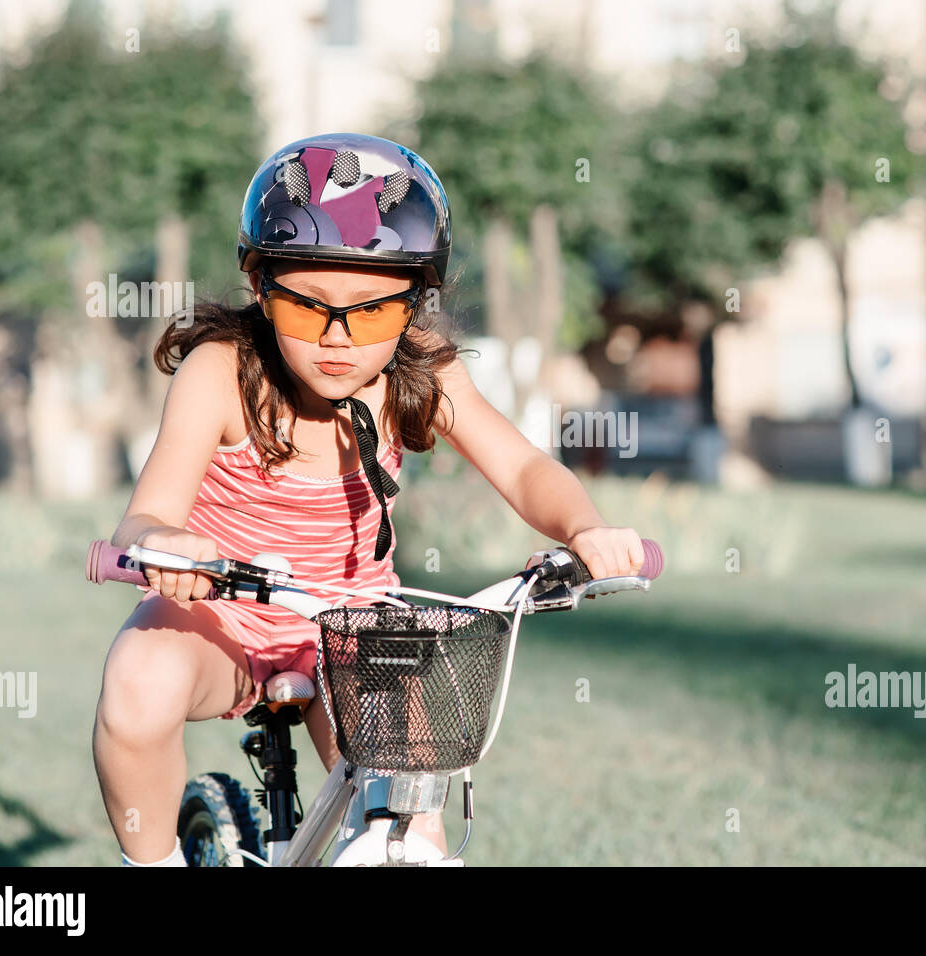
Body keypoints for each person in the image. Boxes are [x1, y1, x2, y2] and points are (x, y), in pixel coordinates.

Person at [93, 133, 646, 866]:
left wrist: (586, 529)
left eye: (374, 312)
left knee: (406, 820)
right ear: (261, 287)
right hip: (216, 614)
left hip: (351, 627)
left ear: (415, 304)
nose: (337, 338)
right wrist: (166, 545)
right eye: (306, 307)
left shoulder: (422, 375)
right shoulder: (221, 372)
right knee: (139, 682)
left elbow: (523, 469)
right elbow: (147, 514)